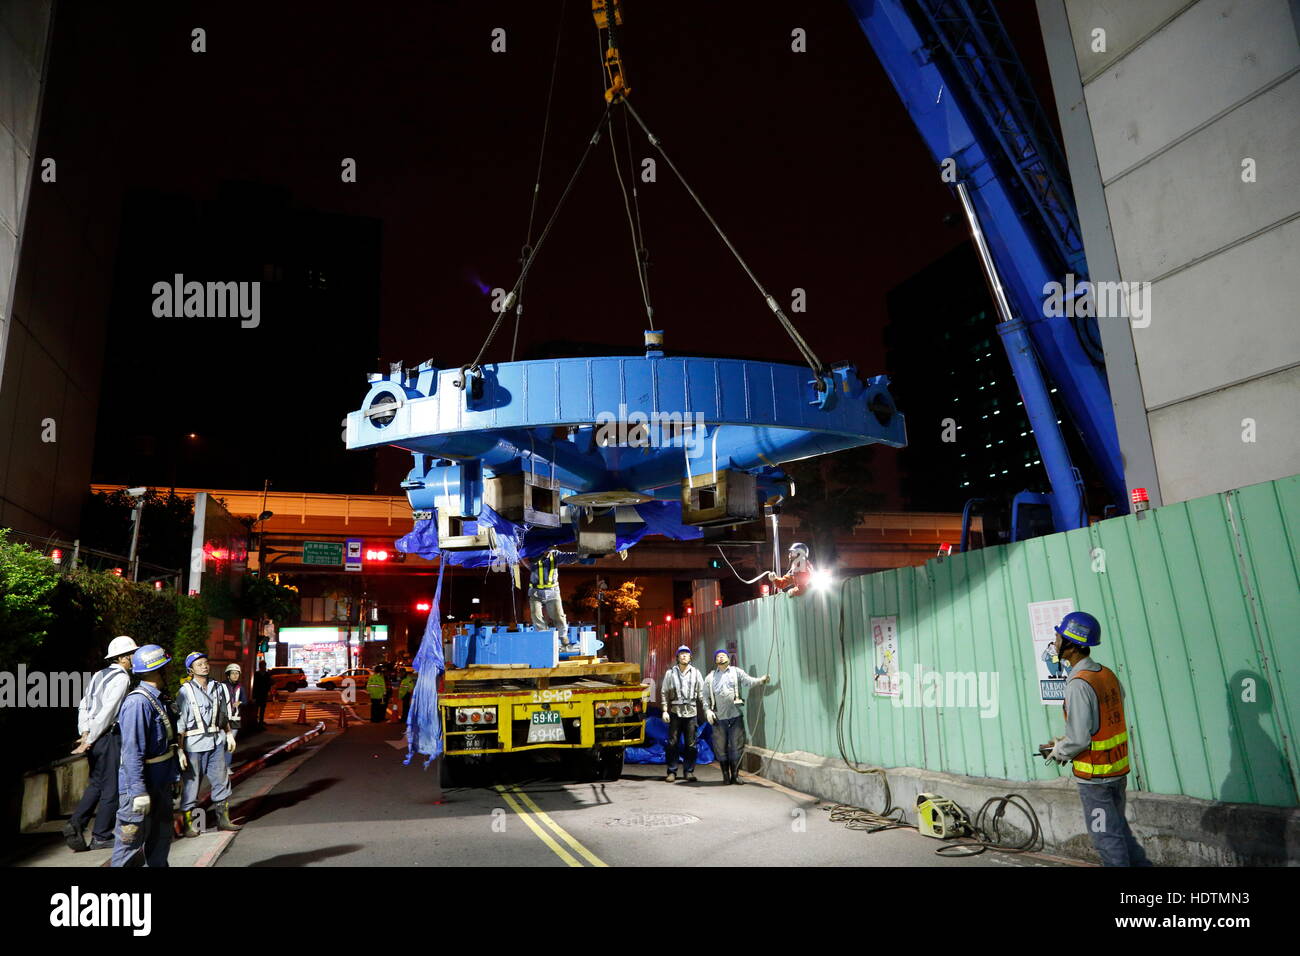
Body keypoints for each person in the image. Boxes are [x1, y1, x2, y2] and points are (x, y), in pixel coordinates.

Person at [1040, 611, 1151, 867]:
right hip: (1116, 771)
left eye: (1059, 637)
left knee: (1105, 838)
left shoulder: (1078, 684)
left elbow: (1079, 739)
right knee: (1119, 831)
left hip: (1095, 779)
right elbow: (1102, 721)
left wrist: (1058, 750)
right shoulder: (1107, 674)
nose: (1055, 642)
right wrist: (1064, 743)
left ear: (1071, 645)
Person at [65, 635, 138, 852]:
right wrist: (92, 736)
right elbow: (108, 712)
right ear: (123, 658)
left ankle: (75, 823)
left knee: (96, 783)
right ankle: (101, 836)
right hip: (109, 737)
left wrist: (85, 733)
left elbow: (84, 705)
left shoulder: (99, 675)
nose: (135, 658)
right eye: (132, 654)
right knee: (111, 788)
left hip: (95, 738)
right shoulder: (123, 679)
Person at [111, 644, 180, 867]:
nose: (168, 671)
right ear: (157, 670)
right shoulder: (138, 703)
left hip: (160, 784)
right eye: (165, 667)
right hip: (140, 787)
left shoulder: (158, 699)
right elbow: (132, 751)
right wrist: (139, 791)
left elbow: (167, 745)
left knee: (160, 838)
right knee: (129, 845)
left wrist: (173, 776)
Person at [176, 652, 241, 836]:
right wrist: (180, 749)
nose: (204, 666)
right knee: (192, 785)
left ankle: (224, 820)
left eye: (205, 663)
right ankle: (191, 824)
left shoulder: (218, 687)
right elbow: (180, 723)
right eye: (199, 664)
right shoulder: (185, 691)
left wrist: (228, 734)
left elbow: (222, 714)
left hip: (215, 742)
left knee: (221, 780)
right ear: (191, 669)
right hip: (193, 746)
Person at [703, 649, 769, 785]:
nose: (720, 658)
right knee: (720, 748)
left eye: (723, 656)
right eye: (718, 656)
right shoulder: (710, 677)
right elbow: (705, 697)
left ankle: (735, 775)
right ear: (715, 660)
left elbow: (749, 681)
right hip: (718, 718)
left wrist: (762, 680)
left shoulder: (736, 672)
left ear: (728, 658)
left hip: (735, 716)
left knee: (736, 747)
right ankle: (725, 776)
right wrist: (707, 711)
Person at [660, 645, 706, 783]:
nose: (684, 656)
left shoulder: (696, 673)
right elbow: (664, 692)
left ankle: (689, 771)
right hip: (675, 712)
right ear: (677, 657)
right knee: (672, 743)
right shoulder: (670, 673)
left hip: (691, 712)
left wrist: (707, 708)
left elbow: (702, 693)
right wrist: (664, 710)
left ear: (690, 657)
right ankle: (672, 771)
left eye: (687, 654)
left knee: (691, 744)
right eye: (681, 654)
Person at [520, 547, 575, 644]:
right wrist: (539, 555)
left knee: (558, 615)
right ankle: (543, 634)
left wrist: (582, 555)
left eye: (550, 550)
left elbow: (569, 557)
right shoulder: (533, 553)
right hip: (535, 591)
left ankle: (563, 635)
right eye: (546, 550)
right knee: (536, 614)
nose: (548, 552)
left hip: (552, 591)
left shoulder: (556, 555)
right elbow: (526, 560)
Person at [222, 663, 246, 740]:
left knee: (231, 743)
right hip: (224, 719)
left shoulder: (240, 688)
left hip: (235, 720)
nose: (235, 675)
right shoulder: (221, 686)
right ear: (228, 675)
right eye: (233, 673)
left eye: (237, 673)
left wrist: (240, 702)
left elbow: (245, 701)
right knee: (222, 742)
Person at [252, 661, 271, 729]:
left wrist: (269, 690)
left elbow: (269, 683)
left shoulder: (266, 674)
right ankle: (257, 721)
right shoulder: (257, 674)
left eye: (264, 665)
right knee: (257, 708)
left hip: (263, 693)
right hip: (258, 693)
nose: (264, 667)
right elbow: (255, 685)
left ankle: (260, 721)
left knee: (262, 708)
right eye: (263, 666)